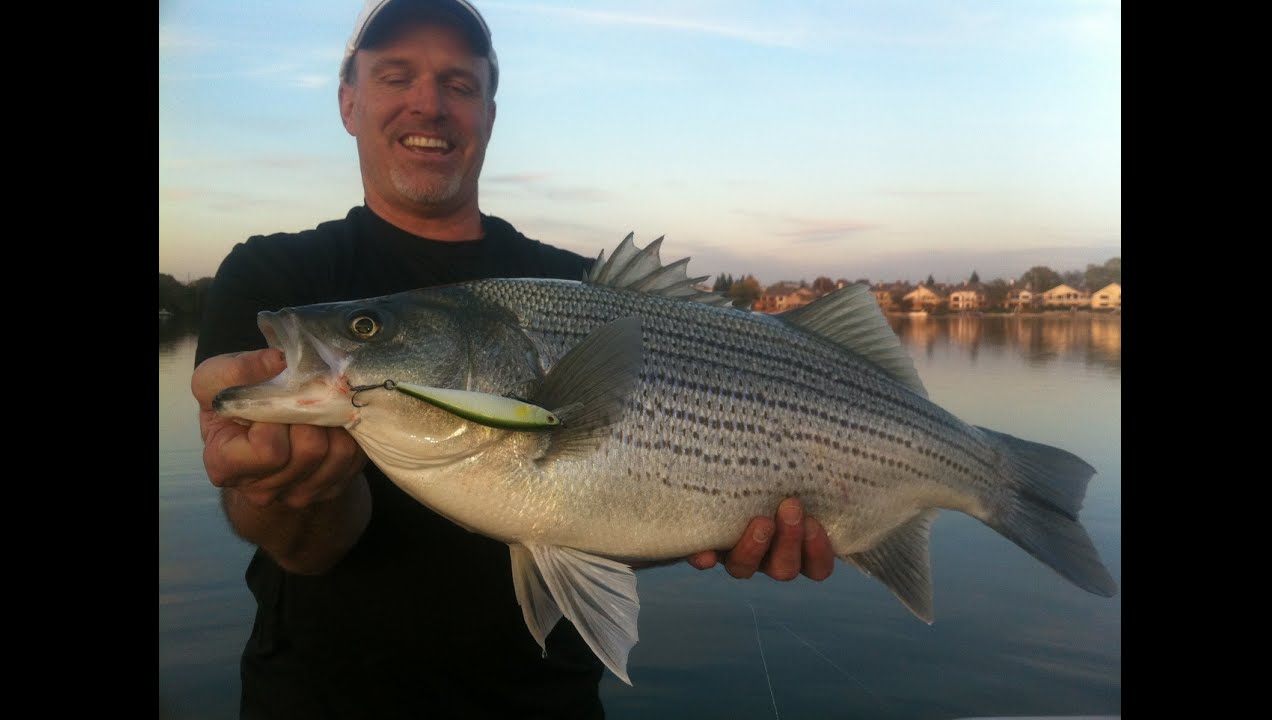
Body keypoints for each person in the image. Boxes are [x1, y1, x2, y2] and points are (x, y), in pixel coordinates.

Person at [190, 1, 836, 717]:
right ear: (349, 102)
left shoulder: (583, 289)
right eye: (395, 76)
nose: (428, 104)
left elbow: (620, 502)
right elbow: (304, 550)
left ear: (490, 114)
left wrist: (718, 521)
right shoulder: (275, 277)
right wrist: (290, 488)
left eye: (459, 84)